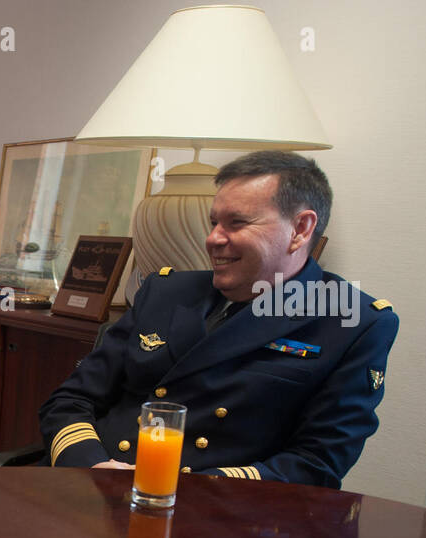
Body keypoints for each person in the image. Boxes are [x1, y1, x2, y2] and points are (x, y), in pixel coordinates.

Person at [40, 151, 399, 489]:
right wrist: (92, 464)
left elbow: (316, 463)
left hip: (220, 515)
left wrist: (183, 490)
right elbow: (72, 400)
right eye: (213, 222)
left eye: (237, 223)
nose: (213, 239)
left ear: (301, 229)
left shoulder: (349, 322)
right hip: (95, 486)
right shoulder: (166, 291)